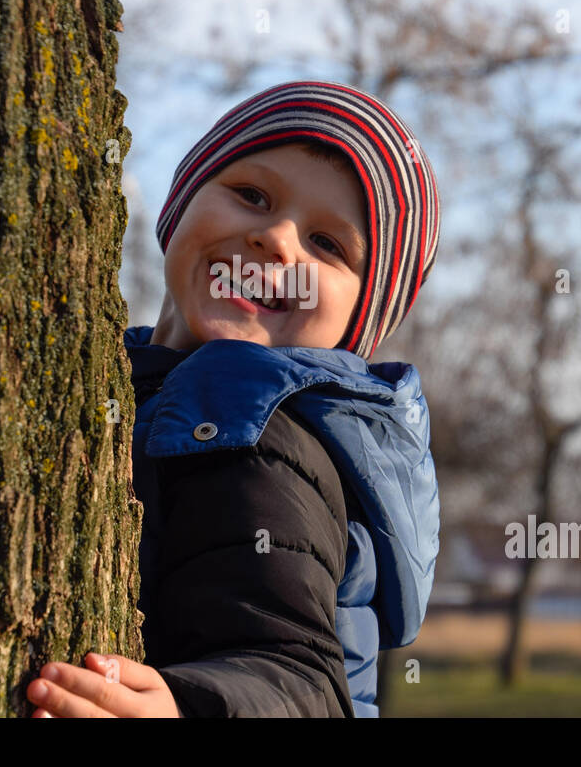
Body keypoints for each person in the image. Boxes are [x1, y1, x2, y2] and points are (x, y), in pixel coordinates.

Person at [26, 80, 440, 717]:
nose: (277, 238)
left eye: (327, 244)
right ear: (182, 205)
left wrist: (184, 708)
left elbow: (298, 677)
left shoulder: (261, 434)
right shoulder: (117, 375)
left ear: (355, 329)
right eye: (252, 195)